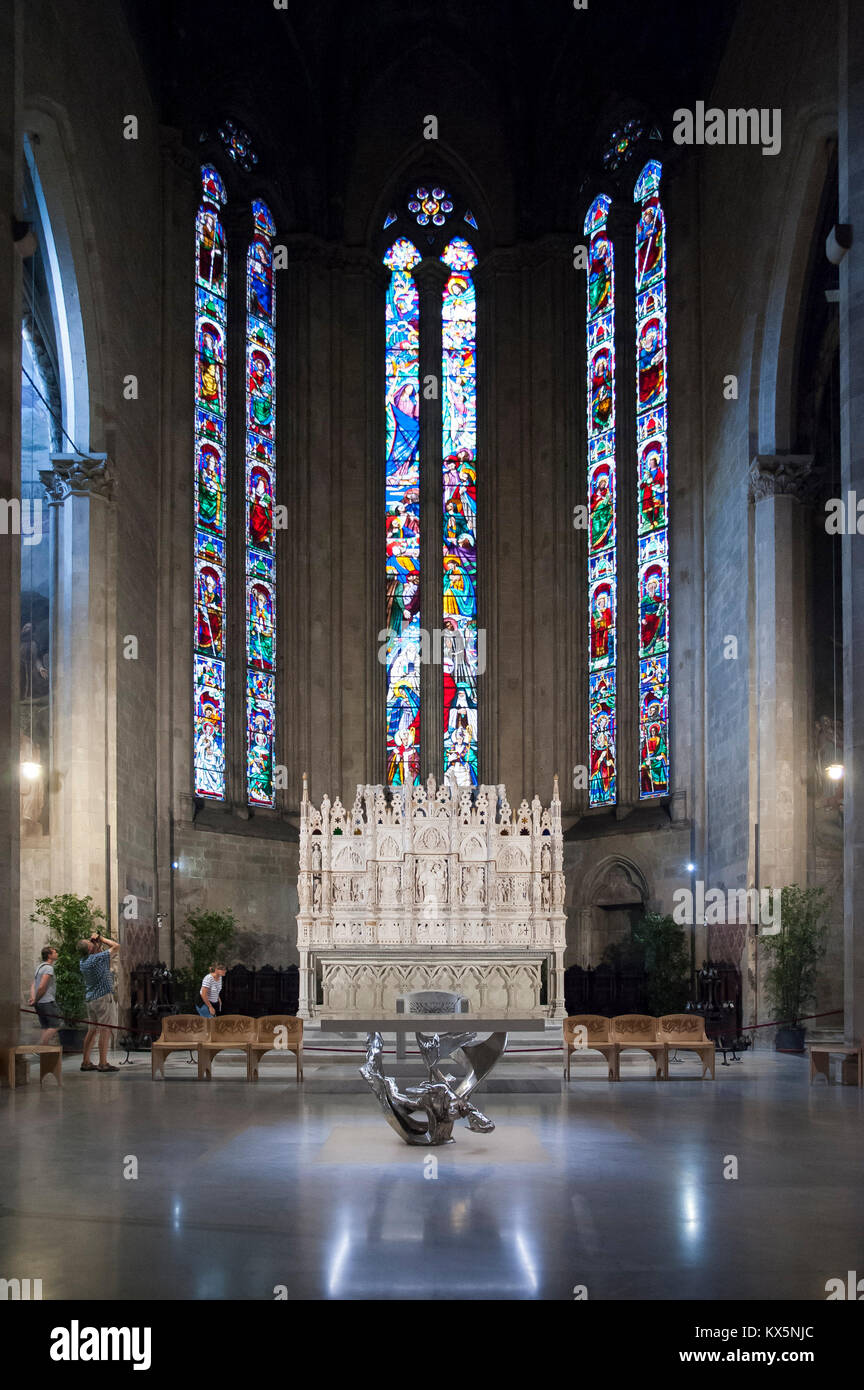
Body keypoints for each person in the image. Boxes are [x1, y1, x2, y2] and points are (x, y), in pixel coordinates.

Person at [78, 932, 120, 1073]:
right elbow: (116, 946)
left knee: (92, 1030)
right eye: (90, 943)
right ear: (89, 949)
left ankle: (86, 1061)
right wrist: (101, 938)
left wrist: (96, 946)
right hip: (102, 999)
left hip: (91, 999)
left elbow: (104, 961)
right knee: (105, 1030)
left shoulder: (83, 961)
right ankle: (103, 1063)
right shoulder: (96, 959)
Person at [28, 945, 61, 1044]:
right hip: (47, 1002)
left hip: (40, 1003)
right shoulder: (48, 968)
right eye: (55, 952)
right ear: (49, 955)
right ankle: (39, 1047)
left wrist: (34, 998)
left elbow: (33, 985)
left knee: (45, 1026)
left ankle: (43, 1052)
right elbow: (42, 987)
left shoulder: (39, 967)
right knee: (56, 1025)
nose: (57, 954)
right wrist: (36, 999)